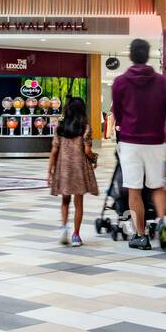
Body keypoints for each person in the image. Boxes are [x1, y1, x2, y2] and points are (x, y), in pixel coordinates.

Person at [111, 38, 166, 250]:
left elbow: (117, 113)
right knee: (157, 186)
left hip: (130, 141)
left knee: (134, 190)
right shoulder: (162, 81)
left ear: (131, 56)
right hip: (155, 140)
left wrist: (126, 124)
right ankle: (162, 223)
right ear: (148, 55)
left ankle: (141, 235)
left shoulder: (120, 82)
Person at [48, 97, 98, 247]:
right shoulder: (85, 128)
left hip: (64, 169)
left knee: (65, 200)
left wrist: (49, 170)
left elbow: (54, 150)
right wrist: (94, 158)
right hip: (79, 169)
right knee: (79, 203)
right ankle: (76, 235)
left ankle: (64, 228)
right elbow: (87, 151)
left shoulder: (60, 127)